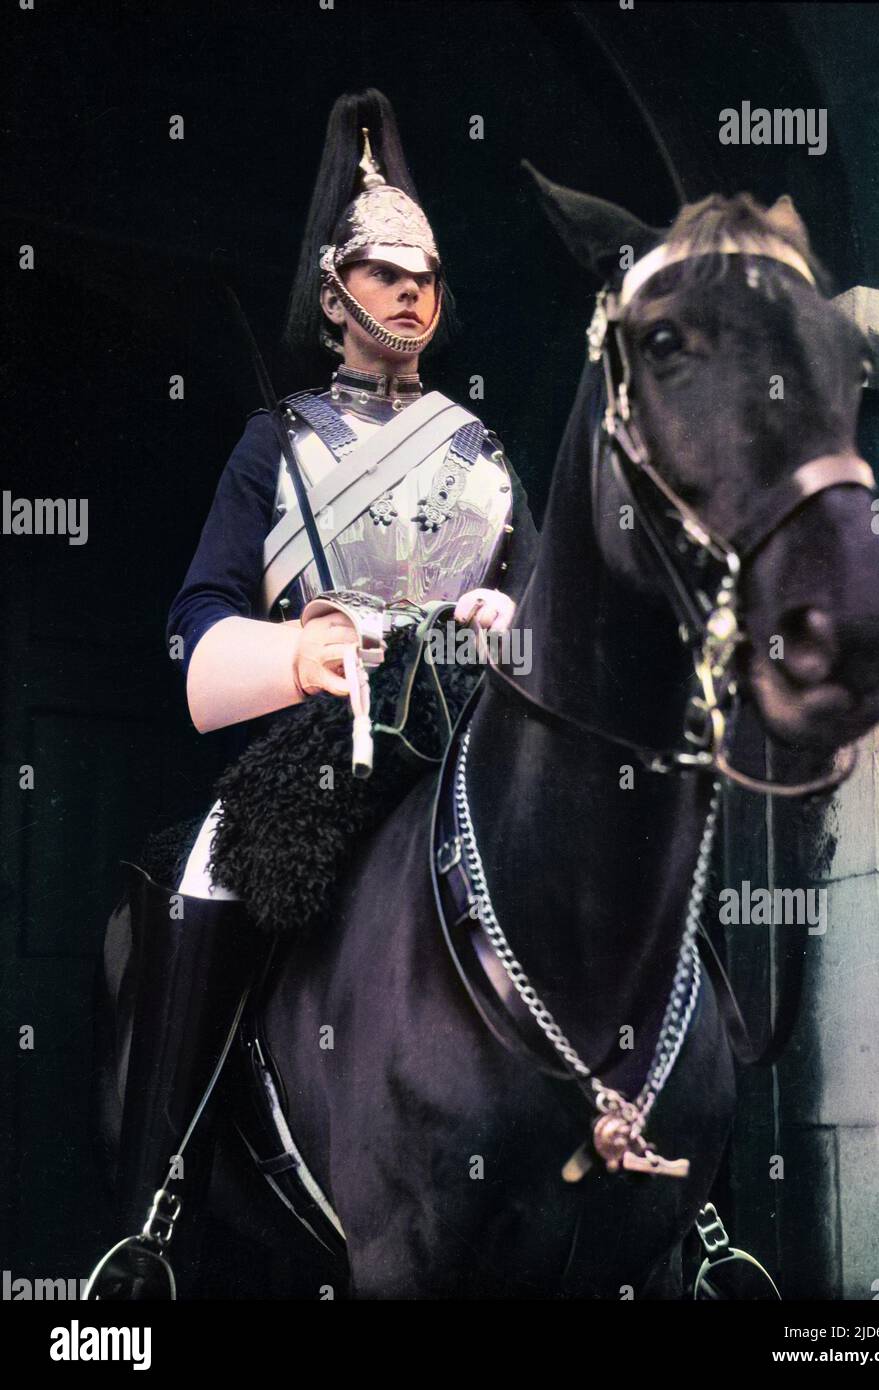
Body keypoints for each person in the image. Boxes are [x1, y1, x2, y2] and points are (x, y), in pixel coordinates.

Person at [102, 89, 538, 1270]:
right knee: (204, 871)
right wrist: (298, 652)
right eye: (383, 272)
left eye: (424, 276)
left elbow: (546, 620)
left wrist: (510, 622)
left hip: (475, 750)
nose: (410, 291)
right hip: (323, 747)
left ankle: (690, 1216)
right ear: (335, 293)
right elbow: (198, 623)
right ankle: (154, 1215)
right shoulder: (275, 441)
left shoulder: (487, 453)